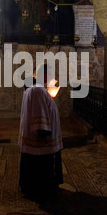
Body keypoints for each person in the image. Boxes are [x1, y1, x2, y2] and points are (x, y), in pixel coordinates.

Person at [18, 64, 63, 198]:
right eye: (50, 75)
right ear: (43, 75)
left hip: (35, 139)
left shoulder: (34, 89)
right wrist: (44, 132)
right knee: (41, 167)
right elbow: (39, 114)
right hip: (41, 141)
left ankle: (33, 188)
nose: (52, 79)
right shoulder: (37, 90)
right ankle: (41, 191)